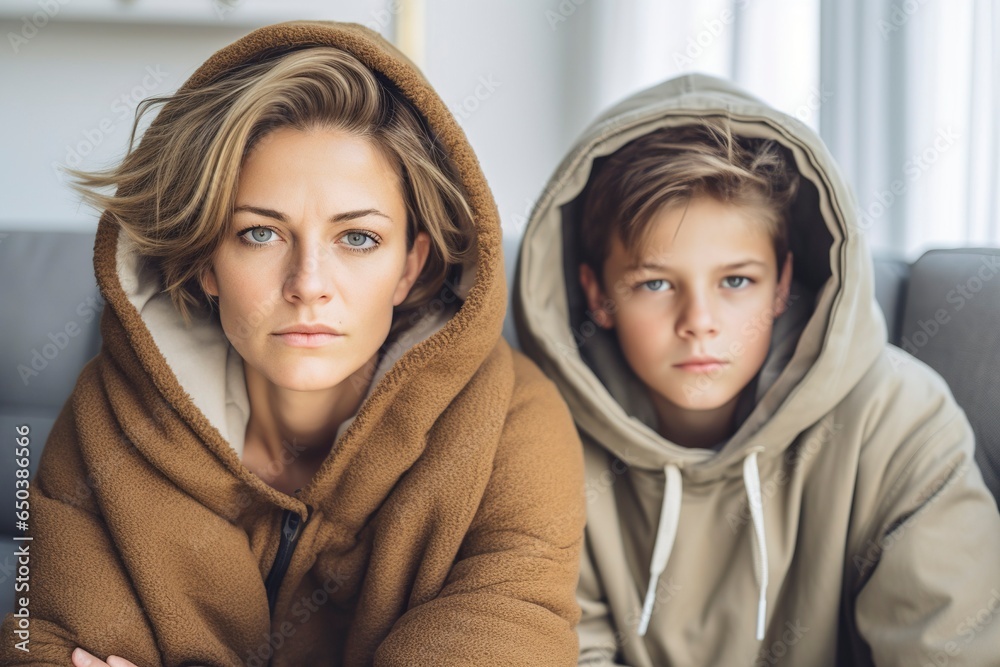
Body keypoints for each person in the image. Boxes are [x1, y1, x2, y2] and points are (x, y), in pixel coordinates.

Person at [0, 20, 585, 666]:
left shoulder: (512, 424)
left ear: (411, 266)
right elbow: (37, 645)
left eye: (357, 238)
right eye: (260, 233)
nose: (308, 285)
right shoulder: (106, 416)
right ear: (205, 261)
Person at [512, 73, 1000, 666]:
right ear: (599, 296)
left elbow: (951, 651)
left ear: (782, 285)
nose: (700, 321)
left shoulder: (900, 422)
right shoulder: (534, 436)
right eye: (656, 282)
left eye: (736, 281)